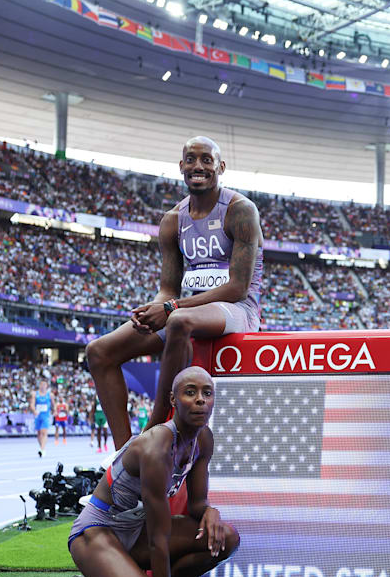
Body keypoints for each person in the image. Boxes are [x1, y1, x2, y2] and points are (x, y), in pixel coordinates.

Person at [85, 136, 264, 448]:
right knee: (99, 352)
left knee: (180, 321)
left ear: (220, 167)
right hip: (185, 309)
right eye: (191, 159)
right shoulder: (171, 221)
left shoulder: (240, 210)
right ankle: (126, 454)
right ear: (181, 166)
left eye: (207, 160)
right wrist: (151, 310)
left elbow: (238, 287)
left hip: (235, 310)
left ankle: (155, 426)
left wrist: (169, 309)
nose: (198, 166)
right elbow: (167, 289)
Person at [65, 366, 238, 577]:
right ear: (173, 400)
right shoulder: (157, 447)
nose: (200, 399)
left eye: (207, 393)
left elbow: (197, 505)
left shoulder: (203, 440)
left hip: (136, 532)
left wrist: (211, 511)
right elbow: (159, 538)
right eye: (190, 392)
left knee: (226, 538)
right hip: (98, 531)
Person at [30, 379, 52, 457]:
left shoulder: (50, 395)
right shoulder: (35, 394)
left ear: (46, 386)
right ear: (39, 385)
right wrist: (34, 410)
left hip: (46, 416)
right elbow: (32, 404)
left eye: (44, 385)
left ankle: (42, 449)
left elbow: (54, 404)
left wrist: (55, 411)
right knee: (39, 434)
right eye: (41, 385)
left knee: (44, 432)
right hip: (37, 415)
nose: (43, 386)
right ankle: (42, 448)